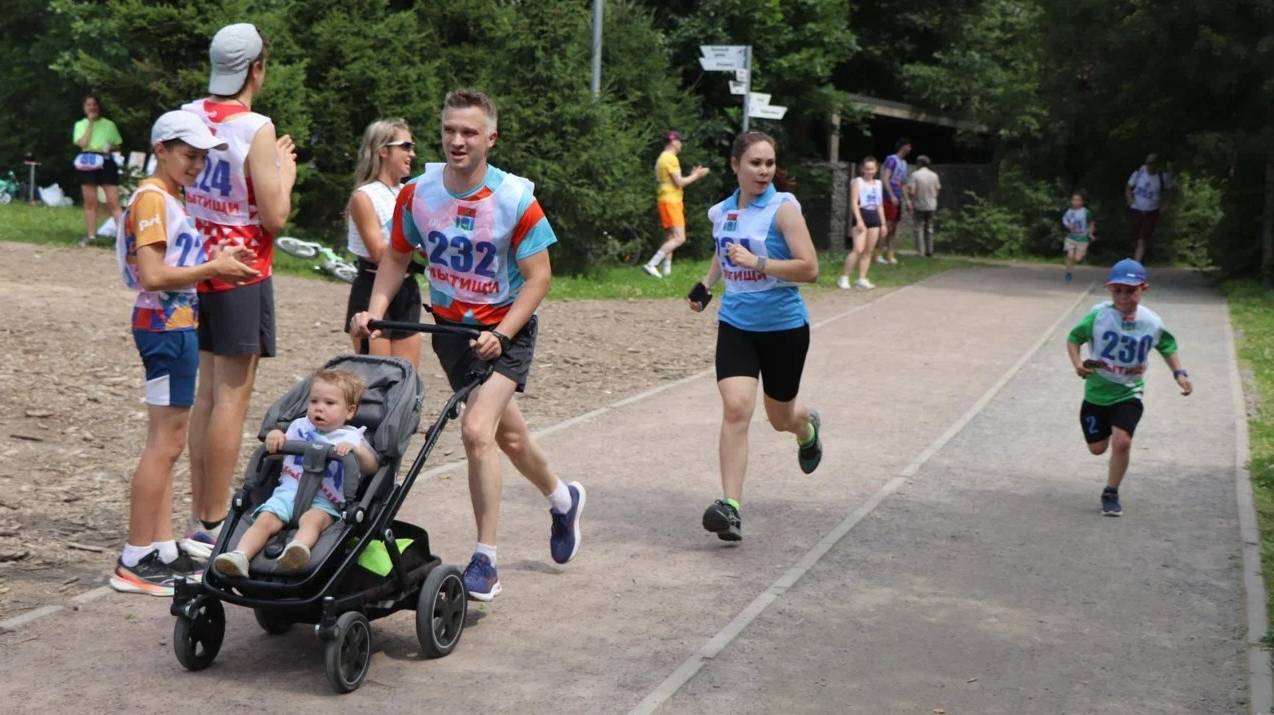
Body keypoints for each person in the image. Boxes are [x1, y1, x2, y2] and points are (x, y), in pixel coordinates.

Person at [351, 89, 584, 601]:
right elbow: (396, 257)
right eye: (449, 130)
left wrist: (502, 335)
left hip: (507, 327)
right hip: (453, 332)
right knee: (510, 438)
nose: (457, 141)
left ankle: (486, 560)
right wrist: (375, 311)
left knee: (477, 431)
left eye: (469, 132)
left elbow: (540, 278)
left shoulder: (516, 199)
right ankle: (563, 499)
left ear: (491, 138)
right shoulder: (418, 194)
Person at [111, 110, 260, 595]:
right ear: (161, 150)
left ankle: (159, 546)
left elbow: (168, 266)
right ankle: (136, 557)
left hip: (171, 326)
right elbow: (153, 275)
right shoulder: (154, 199)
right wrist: (213, 268)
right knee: (166, 442)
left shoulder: (165, 198)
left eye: (201, 158)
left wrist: (215, 263)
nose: (196, 165)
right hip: (165, 328)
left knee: (168, 440)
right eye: (188, 155)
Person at [181, 23, 298, 558]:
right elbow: (275, 217)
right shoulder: (256, 127)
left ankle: (199, 512)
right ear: (256, 69)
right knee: (231, 398)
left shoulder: (190, 114)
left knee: (205, 395)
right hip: (242, 270)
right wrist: (285, 171)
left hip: (197, 263)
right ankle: (212, 521)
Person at [687, 131, 823, 542]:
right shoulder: (722, 211)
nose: (764, 171)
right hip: (737, 325)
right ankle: (730, 507)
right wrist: (707, 285)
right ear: (735, 165)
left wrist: (759, 263)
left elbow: (810, 268)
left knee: (781, 419)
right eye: (755, 163)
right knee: (735, 409)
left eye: (769, 163)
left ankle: (807, 430)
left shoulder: (784, 210)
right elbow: (724, 249)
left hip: (784, 329)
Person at [213, 369, 378, 577]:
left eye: (329, 403)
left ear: (350, 411)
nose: (319, 408)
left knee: (312, 520)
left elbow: (372, 467)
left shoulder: (351, 437)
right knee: (265, 519)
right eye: (314, 401)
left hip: (325, 502)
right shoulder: (298, 427)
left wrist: (356, 451)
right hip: (287, 493)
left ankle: (297, 549)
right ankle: (240, 556)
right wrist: (275, 437)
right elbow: (274, 456)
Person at [1066, 258, 1192, 517]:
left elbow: (1167, 345)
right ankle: (1106, 438)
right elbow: (1074, 338)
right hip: (1097, 392)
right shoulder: (1098, 316)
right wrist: (1078, 364)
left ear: (1143, 289)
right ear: (1110, 290)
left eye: (1130, 290)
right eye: (1118, 290)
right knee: (1097, 449)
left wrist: (1179, 373)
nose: (1123, 296)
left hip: (1129, 391)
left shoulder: (1151, 321)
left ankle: (1111, 492)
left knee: (1122, 442)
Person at [344, 118, 422, 363]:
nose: (412, 153)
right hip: (372, 287)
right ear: (383, 151)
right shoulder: (364, 196)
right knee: (378, 376)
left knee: (406, 376)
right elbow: (379, 253)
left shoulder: (407, 192)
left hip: (407, 288)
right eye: (406, 146)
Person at [643, 130, 710, 278]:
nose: (681, 145)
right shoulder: (670, 158)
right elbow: (679, 182)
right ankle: (652, 264)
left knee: (670, 237)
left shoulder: (662, 157)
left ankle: (666, 271)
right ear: (673, 142)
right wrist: (696, 175)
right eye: (680, 141)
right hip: (671, 200)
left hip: (665, 199)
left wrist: (692, 175)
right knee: (680, 238)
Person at [73, 95, 124, 247]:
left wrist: (110, 147)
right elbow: (83, 143)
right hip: (88, 161)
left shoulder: (109, 125)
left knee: (113, 201)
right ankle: (91, 236)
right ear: (84, 108)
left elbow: (118, 145)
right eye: (88, 105)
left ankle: (122, 238)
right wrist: (90, 124)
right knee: (90, 201)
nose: (92, 107)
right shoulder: (80, 125)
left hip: (105, 161)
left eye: (94, 104)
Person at [837, 156, 884, 290]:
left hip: (874, 216)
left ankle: (862, 278)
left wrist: (883, 223)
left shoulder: (878, 184)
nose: (869, 171)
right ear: (863, 169)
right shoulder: (857, 182)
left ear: (876, 169)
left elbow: (880, 205)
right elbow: (854, 202)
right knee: (858, 249)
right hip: (862, 214)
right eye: (867, 169)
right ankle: (844, 277)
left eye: (872, 169)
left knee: (868, 251)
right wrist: (859, 220)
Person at [1125, 153, 1172, 262]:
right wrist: (1129, 198)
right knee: (1134, 236)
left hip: (1151, 211)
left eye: (1153, 164)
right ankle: (1135, 255)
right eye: (1149, 164)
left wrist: (1166, 205)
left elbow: (1170, 191)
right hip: (1136, 209)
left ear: (1157, 165)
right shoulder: (1139, 173)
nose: (1150, 167)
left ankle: (1137, 262)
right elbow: (1128, 186)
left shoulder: (1162, 176)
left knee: (1143, 239)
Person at [876, 137, 911, 265]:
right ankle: (878, 254)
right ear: (903, 146)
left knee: (894, 228)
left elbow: (903, 184)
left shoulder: (904, 164)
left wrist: (907, 200)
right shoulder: (891, 159)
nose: (910, 149)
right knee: (887, 226)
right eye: (909, 146)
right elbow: (885, 178)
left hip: (898, 198)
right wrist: (891, 195)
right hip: (889, 197)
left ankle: (890, 255)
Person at [906, 155, 941, 257]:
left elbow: (912, 191)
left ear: (920, 163)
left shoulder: (915, 175)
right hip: (931, 205)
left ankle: (920, 251)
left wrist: (910, 200)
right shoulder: (934, 175)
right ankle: (930, 250)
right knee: (929, 227)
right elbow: (937, 189)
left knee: (919, 227)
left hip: (919, 204)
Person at [1061, 191, 1096, 283]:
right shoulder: (1069, 212)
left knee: (1078, 258)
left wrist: (1091, 233)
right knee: (1070, 255)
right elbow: (1064, 220)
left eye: (1078, 200)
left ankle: (1071, 265)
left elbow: (1091, 222)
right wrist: (1068, 225)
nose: (1075, 202)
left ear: (1082, 202)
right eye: (1073, 200)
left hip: (1082, 238)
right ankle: (1068, 273)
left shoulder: (1086, 212)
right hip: (1071, 237)